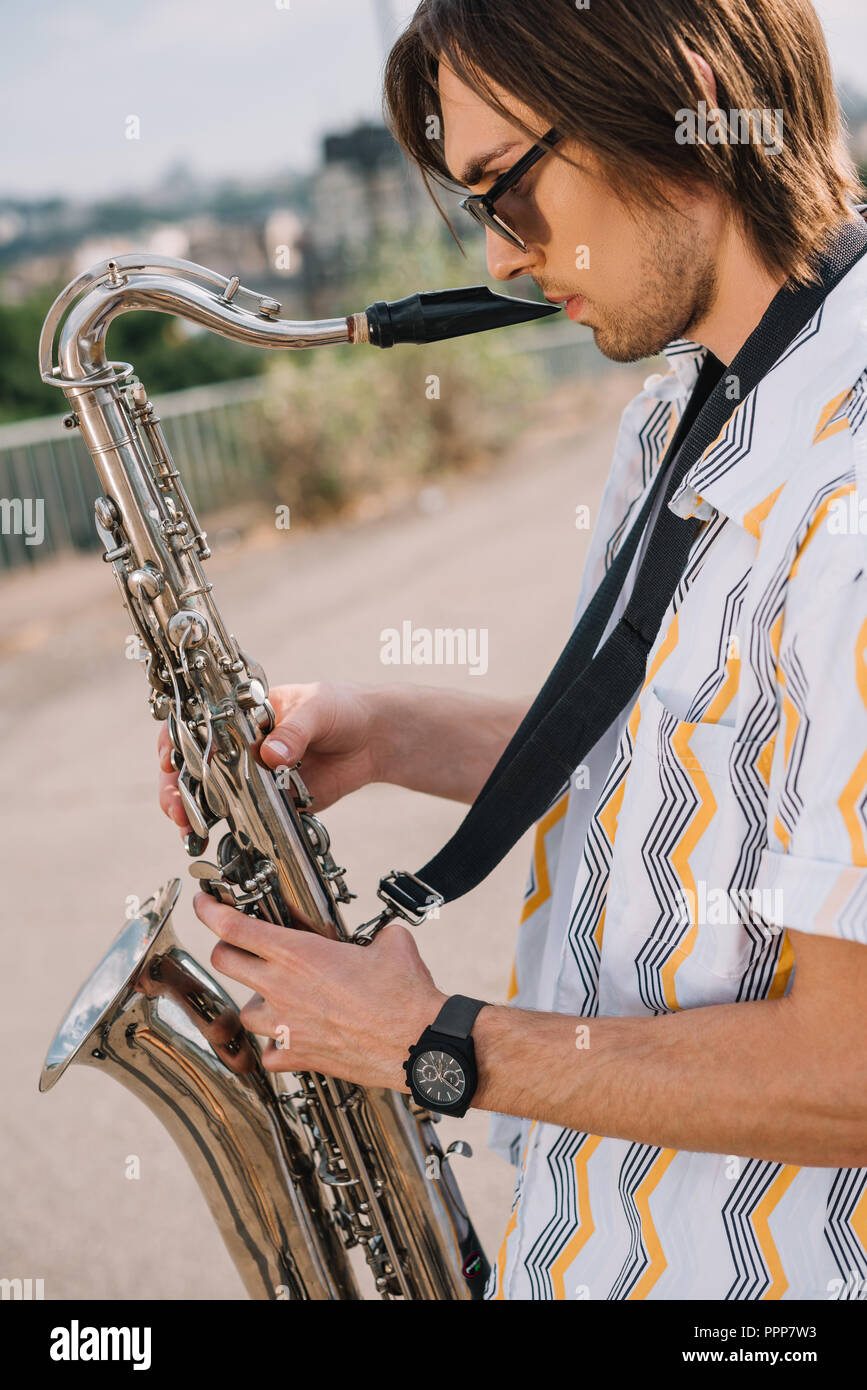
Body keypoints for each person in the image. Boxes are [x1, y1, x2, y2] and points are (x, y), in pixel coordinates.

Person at [158, 0, 867, 1300]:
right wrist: (382, 732)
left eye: (505, 188)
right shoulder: (685, 411)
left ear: (684, 98)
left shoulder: (856, 489)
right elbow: (692, 753)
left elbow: (853, 1070)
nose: (503, 259)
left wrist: (433, 1044)